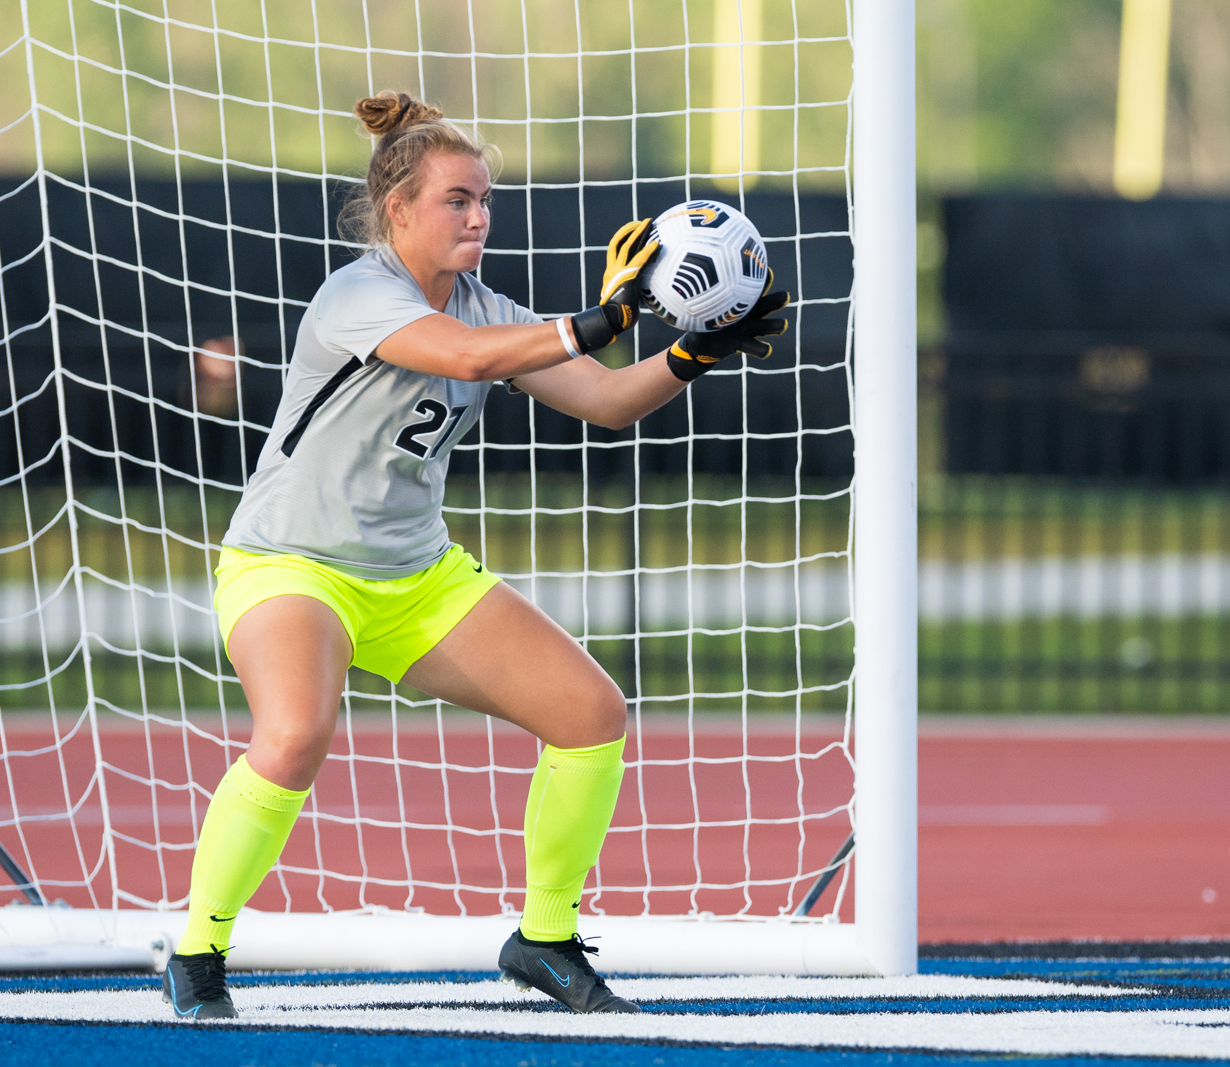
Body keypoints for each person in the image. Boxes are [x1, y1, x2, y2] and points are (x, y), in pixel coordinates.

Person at [161, 90, 787, 1019]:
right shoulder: (358, 293)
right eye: (458, 199)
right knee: (294, 732)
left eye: (485, 199)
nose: (480, 215)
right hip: (291, 566)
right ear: (398, 210)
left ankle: (543, 937)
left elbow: (607, 403)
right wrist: (600, 319)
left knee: (590, 712)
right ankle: (197, 951)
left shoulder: (491, 304)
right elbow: (461, 358)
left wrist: (693, 354)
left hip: (417, 576)